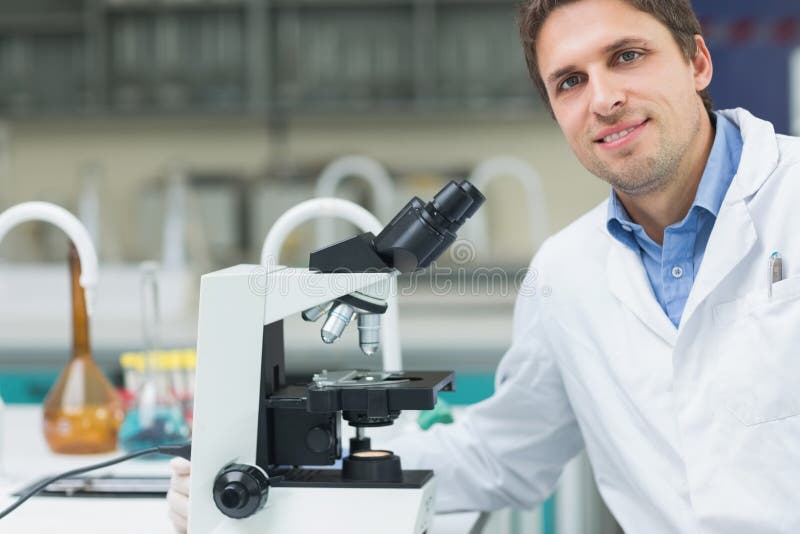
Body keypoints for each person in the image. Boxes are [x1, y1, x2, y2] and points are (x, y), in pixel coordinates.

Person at [168, 0, 800, 531]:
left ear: (696, 61)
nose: (603, 99)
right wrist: (288, 466)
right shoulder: (566, 272)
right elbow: (502, 452)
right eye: (569, 81)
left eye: (626, 56)